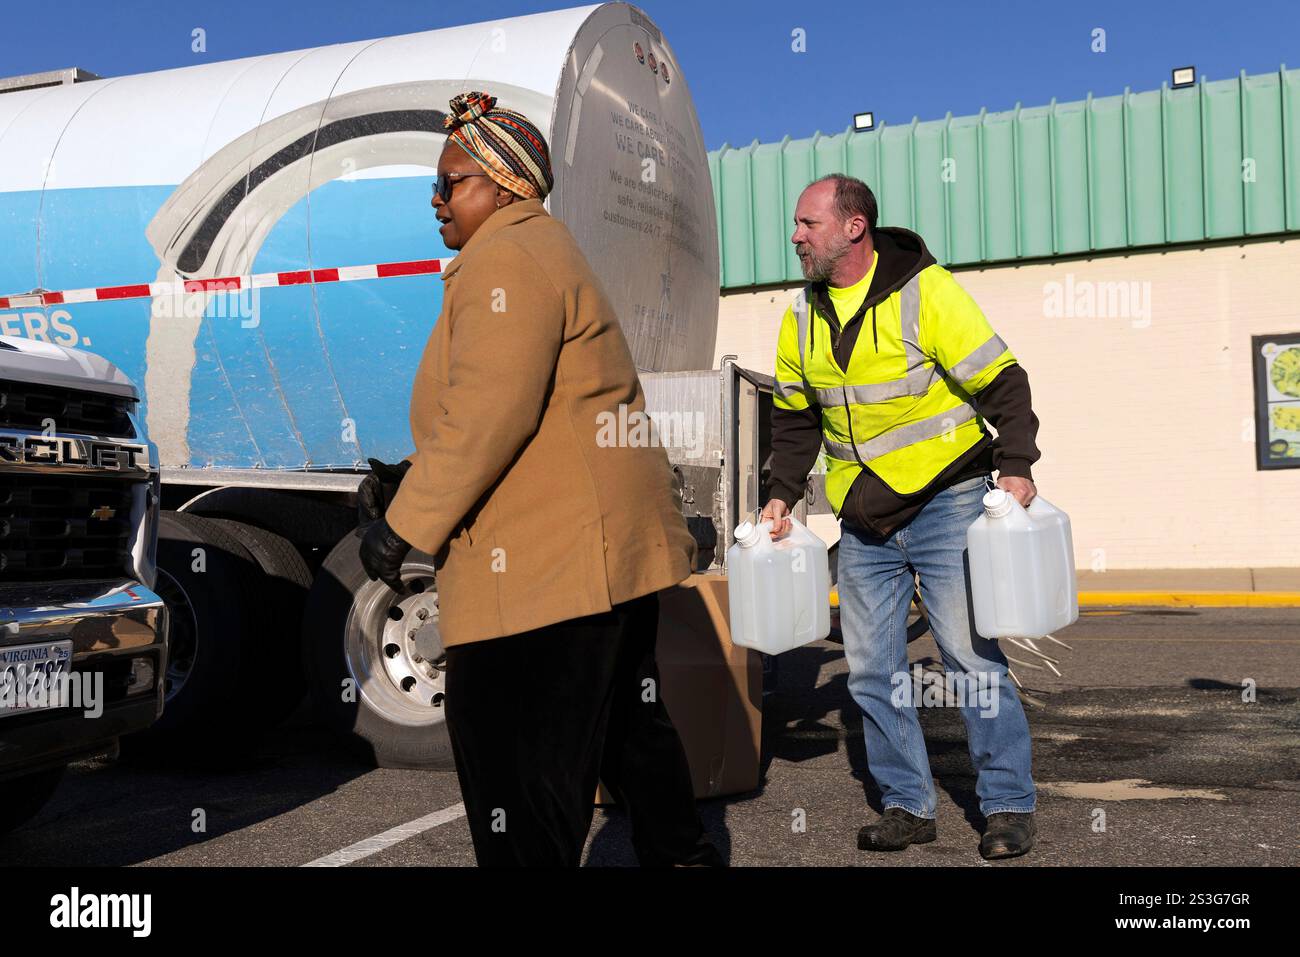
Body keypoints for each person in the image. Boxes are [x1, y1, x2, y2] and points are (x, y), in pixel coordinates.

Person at [356, 90, 720, 867]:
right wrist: (412, 475)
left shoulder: (509, 257)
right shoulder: (534, 251)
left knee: (518, 782)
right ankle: (683, 856)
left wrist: (405, 524)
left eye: (451, 182)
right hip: (591, 563)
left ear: (507, 186)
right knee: (628, 732)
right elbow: (525, 410)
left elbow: (494, 411)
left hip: (544, 575)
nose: (436, 197)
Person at [762, 173, 1041, 860]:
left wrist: (1017, 462)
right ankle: (907, 804)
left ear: (853, 226)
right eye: (797, 226)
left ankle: (1006, 803)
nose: (796, 236)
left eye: (808, 224)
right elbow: (796, 416)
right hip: (863, 517)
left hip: (948, 497)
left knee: (970, 656)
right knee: (869, 668)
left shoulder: (925, 290)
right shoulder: (801, 315)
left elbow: (1003, 379)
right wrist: (781, 491)